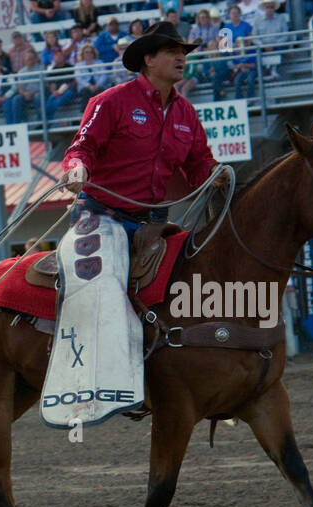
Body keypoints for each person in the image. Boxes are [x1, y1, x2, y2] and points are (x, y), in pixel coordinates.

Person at [54, 20, 224, 424]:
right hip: (102, 216)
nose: (182, 57)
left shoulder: (185, 112)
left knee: (193, 280)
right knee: (104, 285)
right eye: (172, 51)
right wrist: (76, 168)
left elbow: (199, 164)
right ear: (149, 59)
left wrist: (220, 176)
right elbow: (83, 148)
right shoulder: (111, 101)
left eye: (184, 52)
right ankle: (99, 379)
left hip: (152, 223)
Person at [213, 5, 256, 99]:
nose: (235, 15)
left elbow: (250, 41)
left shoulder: (246, 25)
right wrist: (231, 52)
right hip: (231, 52)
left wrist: (240, 49)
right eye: (233, 13)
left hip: (244, 50)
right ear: (229, 15)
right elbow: (222, 43)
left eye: (237, 13)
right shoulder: (226, 27)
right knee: (223, 57)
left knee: (248, 77)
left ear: (240, 14)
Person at [252, 0, 288, 80]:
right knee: (254, 52)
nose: (269, 9)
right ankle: (261, 72)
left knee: (280, 48)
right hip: (262, 46)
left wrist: (274, 45)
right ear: (264, 8)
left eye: (271, 7)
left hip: (277, 45)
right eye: (267, 7)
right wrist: (263, 45)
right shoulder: (257, 20)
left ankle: (274, 70)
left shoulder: (281, 18)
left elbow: (285, 35)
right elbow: (254, 36)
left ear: (274, 8)